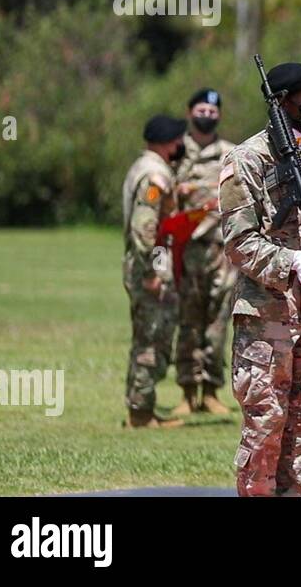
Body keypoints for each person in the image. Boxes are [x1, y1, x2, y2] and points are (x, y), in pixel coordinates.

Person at [220, 61, 301, 496]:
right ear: (282, 102)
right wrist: (291, 262)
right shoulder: (246, 160)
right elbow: (239, 242)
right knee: (266, 430)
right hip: (266, 320)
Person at [172, 88, 238, 416]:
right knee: (188, 320)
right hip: (185, 250)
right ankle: (186, 391)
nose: (207, 116)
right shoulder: (175, 152)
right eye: (201, 110)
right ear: (189, 112)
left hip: (220, 249)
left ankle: (211, 390)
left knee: (217, 320)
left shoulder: (230, 153)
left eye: (213, 111)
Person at [121, 115, 188, 428]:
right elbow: (144, 226)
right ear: (167, 142)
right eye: (177, 141)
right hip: (152, 269)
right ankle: (141, 412)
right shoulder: (155, 176)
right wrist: (150, 271)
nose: (180, 146)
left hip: (148, 266)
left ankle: (141, 406)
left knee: (145, 336)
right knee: (152, 339)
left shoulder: (145, 167)